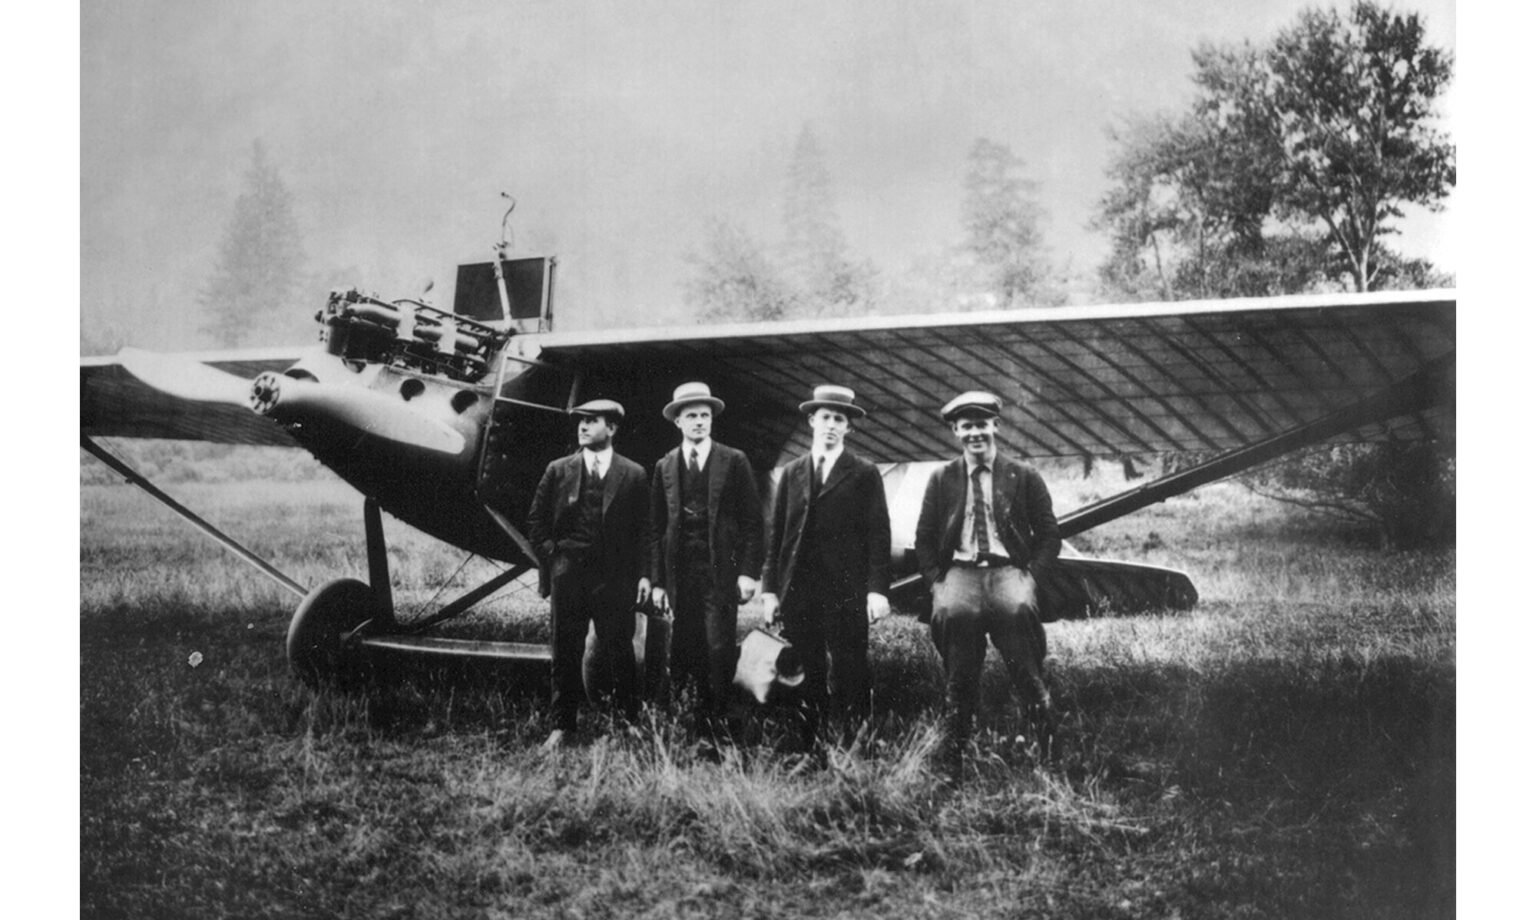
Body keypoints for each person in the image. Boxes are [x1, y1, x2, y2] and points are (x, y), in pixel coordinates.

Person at [913, 391, 1061, 772]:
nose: (975, 433)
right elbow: (924, 537)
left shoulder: (1023, 475)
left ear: (995, 426)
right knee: (952, 626)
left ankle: (1047, 743)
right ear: (955, 431)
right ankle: (954, 744)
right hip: (960, 572)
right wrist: (937, 582)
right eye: (966, 426)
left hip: (1009, 569)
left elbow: (1049, 533)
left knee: (1019, 623)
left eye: (982, 424)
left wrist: (1031, 577)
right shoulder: (942, 478)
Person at [760, 385, 891, 746]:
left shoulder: (864, 473)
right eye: (826, 417)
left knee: (851, 667)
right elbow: (778, 538)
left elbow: (879, 534)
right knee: (806, 667)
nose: (831, 425)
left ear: (848, 428)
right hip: (799, 587)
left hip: (845, 588)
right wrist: (770, 590)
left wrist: (877, 590)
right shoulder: (792, 472)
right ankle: (809, 741)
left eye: (840, 419)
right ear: (811, 421)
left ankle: (854, 742)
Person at [526, 399, 651, 747]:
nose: (582, 427)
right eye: (580, 421)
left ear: (611, 428)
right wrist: (554, 558)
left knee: (619, 652)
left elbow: (646, 531)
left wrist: (642, 575)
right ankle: (562, 726)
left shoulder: (634, 474)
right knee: (564, 650)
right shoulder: (558, 469)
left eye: (591, 421)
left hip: (615, 578)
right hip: (569, 575)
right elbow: (535, 521)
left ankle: (625, 726)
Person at [648, 381, 764, 738]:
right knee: (682, 647)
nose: (699, 422)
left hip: (721, 572)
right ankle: (687, 722)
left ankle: (723, 725)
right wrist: (657, 581)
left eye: (705, 415)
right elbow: (655, 528)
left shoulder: (734, 460)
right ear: (678, 422)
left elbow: (753, 523)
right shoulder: (665, 466)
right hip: (680, 571)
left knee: (718, 646)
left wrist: (747, 573)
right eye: (692, 416)